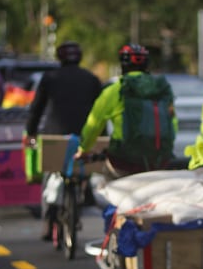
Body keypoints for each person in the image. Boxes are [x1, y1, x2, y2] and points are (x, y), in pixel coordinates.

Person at [22, 41, 103, 240]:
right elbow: (100, 112)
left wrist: (31, 134)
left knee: (50, 176)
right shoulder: (91, 79)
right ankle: (85, 192)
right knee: (83, 171)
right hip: (85, 136)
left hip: (53, 136)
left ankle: (48, 223)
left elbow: (36, 109)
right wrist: (102, 137)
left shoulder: (50, 78)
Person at [74, 44, 177, 178]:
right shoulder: (161, 89)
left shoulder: (114, 91)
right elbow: (173, 125)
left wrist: (83, 150)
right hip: (159, 161)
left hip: (124, 162)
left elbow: (94, 126)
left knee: (106, 186)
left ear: (122, 65)